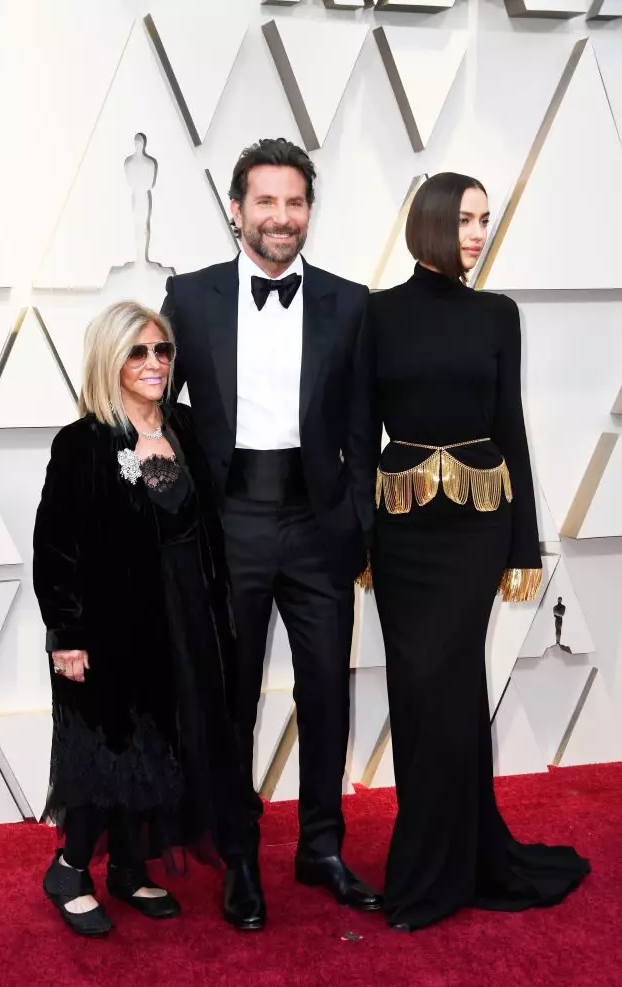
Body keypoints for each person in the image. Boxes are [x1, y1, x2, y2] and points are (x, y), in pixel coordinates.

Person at [354, 172, 590, 931]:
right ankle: (444, 860)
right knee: (419, 696)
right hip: (401, 531)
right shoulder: (376, 314)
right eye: (463, 219)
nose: (476, 233)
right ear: (427, 224)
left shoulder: (498, 314)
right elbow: (358, 437)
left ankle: (440, 870)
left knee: (449, 689)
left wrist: (523, 545)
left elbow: (509, 423)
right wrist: (356, 536)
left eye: (484, 220)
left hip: (476, 530)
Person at [161, 138, 381, 924]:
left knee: (327, 693)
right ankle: (239, 857)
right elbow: (155, 402)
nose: (281, 218)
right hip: (229, 527)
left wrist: (355, 525)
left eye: (294, 203)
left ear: (309, 212)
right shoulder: (188, 297)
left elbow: (363, 426)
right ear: (236, 210)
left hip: (319, 526)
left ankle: (322, 847)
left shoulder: (350, 301)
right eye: (266, 202)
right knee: (232, 702)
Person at [33, 301, 254, 936]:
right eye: (138, 352)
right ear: (111, 360)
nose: (154, 363)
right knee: (108, 747)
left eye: (161, 351)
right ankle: (70, 868)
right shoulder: (83, 443)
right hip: (111, 628)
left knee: (167, 744)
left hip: (187, 619)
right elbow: (56, 547)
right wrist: (66, 636)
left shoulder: (184, 427)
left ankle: (130, 868)